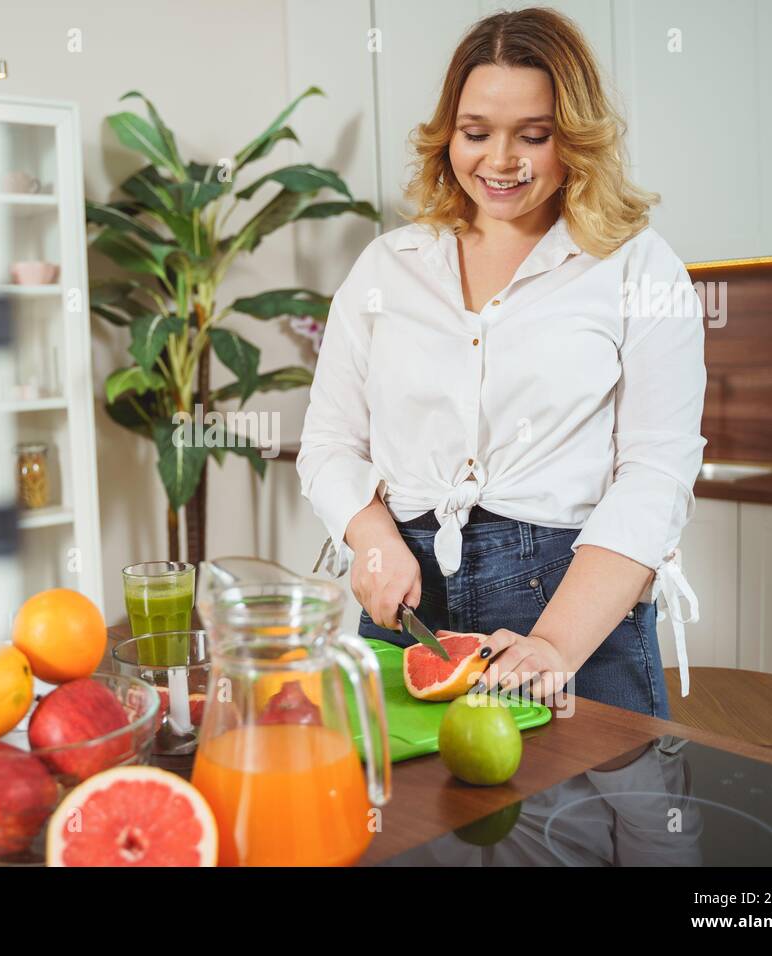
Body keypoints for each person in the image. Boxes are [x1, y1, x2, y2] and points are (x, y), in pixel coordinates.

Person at [297, 7, 705, 718]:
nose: (500, 161)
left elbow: (655, 474)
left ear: (575, 137)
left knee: (599, 820)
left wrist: (555, 642)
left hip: (576, 602)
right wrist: (371, 540)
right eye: (476, 133)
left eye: (534, 136)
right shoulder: (385, 269)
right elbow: (330, 443)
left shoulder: (640, 267)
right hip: (407, 598)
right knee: (407, 823)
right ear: (447, 133)